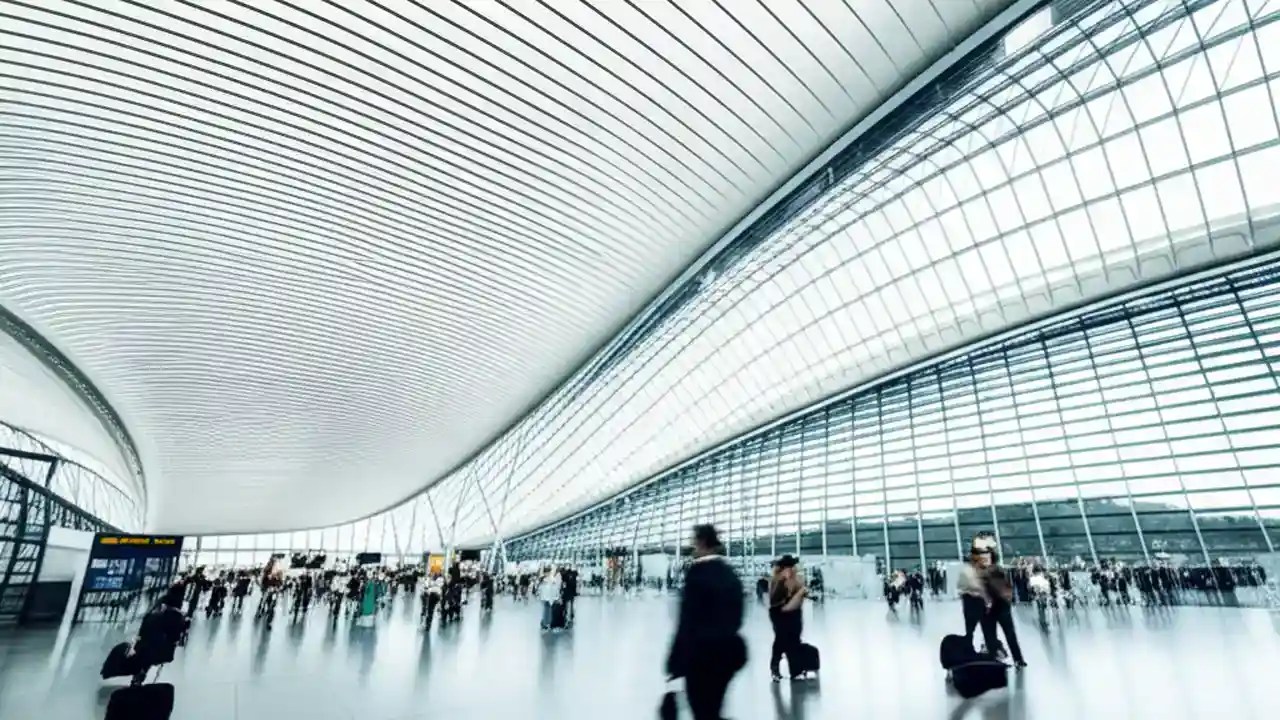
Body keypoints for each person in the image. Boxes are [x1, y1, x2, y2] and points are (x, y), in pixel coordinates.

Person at [666, 524, 746, 720]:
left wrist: (675, 662)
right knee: (712, 708)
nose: (692, 547)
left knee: (703, 711)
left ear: (702, 542)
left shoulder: (697, 574)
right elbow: (738, 615)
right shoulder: (730, 574)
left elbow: (688, 621)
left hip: (701, 656)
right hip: (728, 654)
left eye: (693, 542)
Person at [129, 595, 186, 686]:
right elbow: (176, 637)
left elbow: (142, 632)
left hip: (145, 645)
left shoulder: (152, 615)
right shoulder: (177, 618)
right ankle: (140, 676)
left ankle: (138, 676)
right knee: (148, 660)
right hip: (161, 648)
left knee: (144, 660)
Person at [768, 555, 806, 682]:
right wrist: (783, 583)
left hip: (794, 612)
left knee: (794, 639)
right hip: (779, 612)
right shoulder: (776, 580)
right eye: (789, 567)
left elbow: (800, 593)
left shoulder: (796, 579)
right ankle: (775, 668)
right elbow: (774, 600)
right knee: (781, 639)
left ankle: (796, 670)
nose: (792, 569)